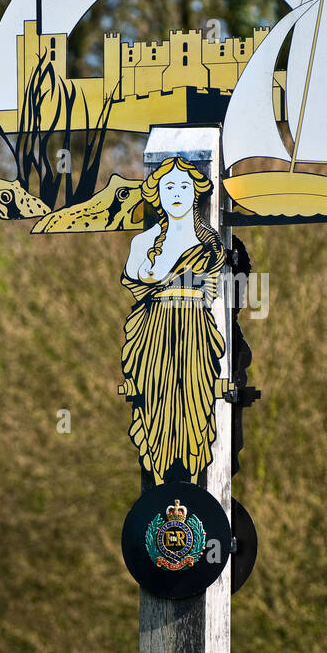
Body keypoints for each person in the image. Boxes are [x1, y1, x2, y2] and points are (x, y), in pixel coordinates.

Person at [121, 157, 226, 482]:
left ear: (196, 191)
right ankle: (161, 480)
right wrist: (182, 283)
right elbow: (137, 285)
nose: (177, 193)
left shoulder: (211, 243)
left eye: (184, 185)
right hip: (155, 338)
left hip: (195, 335)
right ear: (158, 194)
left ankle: (194, 481)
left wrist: (175, 283)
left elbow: (213, 286)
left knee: (195, 408)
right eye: (168, 186)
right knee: (156, 407)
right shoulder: (142, 242)